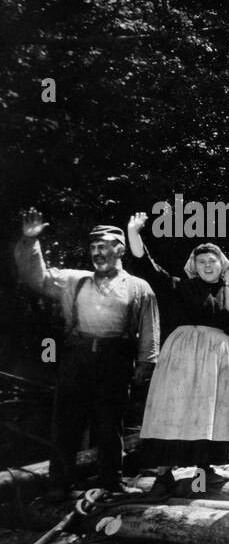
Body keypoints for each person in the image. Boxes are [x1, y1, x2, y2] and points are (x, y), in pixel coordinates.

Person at [13, 212, 159, 500]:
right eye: (93, 248)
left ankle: (111, 482)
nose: (97, 253)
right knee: (66, 422)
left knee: (109, 424)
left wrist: (146, 363)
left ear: (120, 248)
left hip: (116, 359)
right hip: (77, 358)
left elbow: (149, 327)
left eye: (103, 246)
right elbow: (36, 277)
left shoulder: (138, 287)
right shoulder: (74, 281)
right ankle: (59, 485)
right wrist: (31, 241)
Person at [123, 213, 229, 497]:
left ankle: (204, 469)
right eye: (202, 262)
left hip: (219, 360)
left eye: (212, 261)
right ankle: (164, 474)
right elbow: (149, 269)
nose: (208, 265)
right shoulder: (179, 287)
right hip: (181, 356)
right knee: (173, 408)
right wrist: (134, 233)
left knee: (209, 412)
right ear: (194, 266)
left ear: (222, 265)